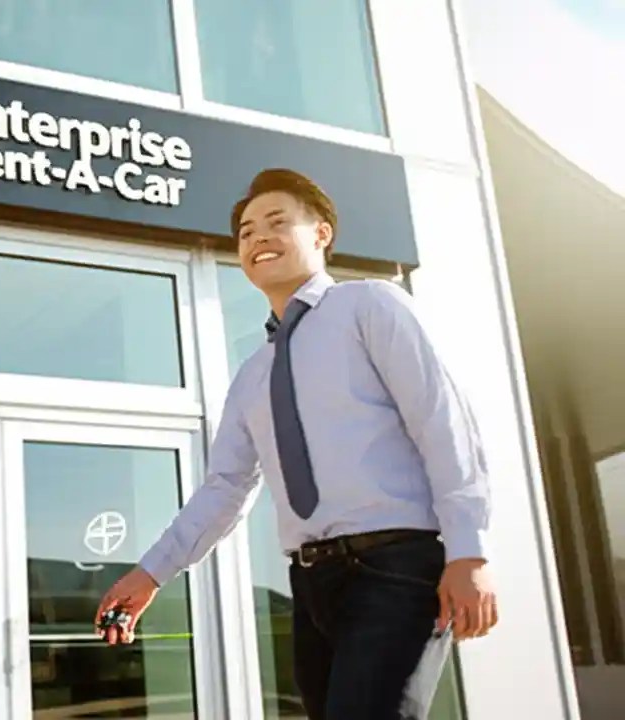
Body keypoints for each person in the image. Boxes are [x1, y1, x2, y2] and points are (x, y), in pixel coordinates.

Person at [96, 169, 499, 719]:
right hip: (312, 585)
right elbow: (226, 489)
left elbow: (442, 420)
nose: (258, 237)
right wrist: (149, 573)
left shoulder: (370, 307)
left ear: (322, 234)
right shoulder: (253, 375)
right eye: (245, 232)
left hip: (397, 566)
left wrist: (468, 551)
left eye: (277, 222)